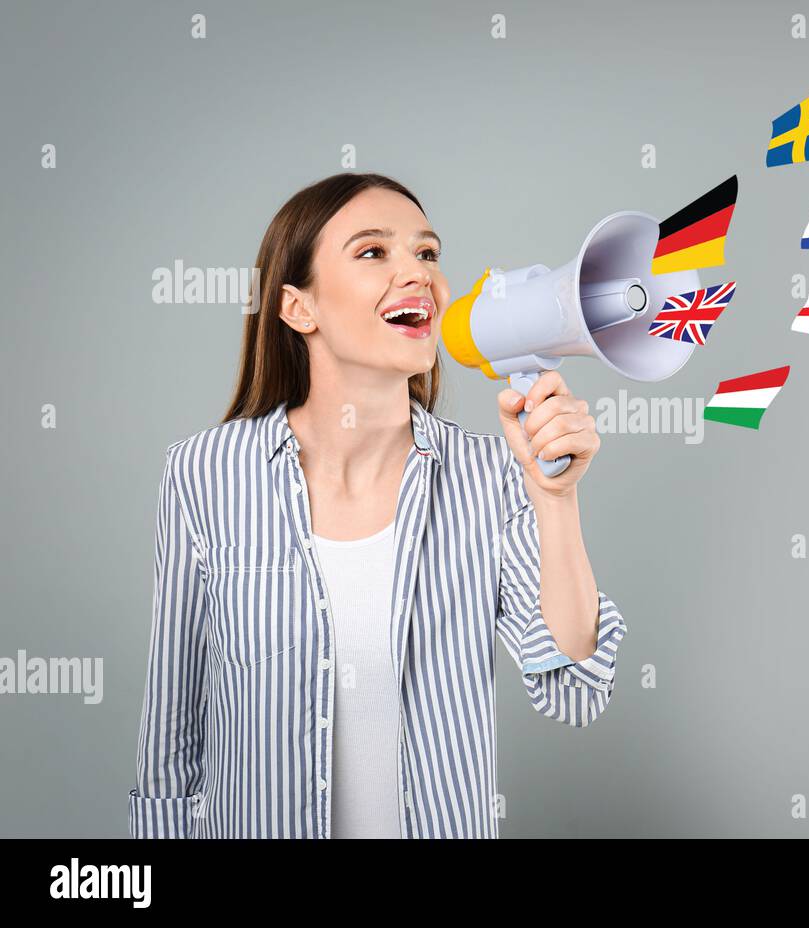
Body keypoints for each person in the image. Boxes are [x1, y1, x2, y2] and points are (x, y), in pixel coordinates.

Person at [128, 173, 627, 838]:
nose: (417, 274)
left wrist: (555, 499)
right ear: (297, 307)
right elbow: (172, 729)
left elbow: (576, 688)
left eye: (427, 253)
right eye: (373, 253)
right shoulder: (204, 474)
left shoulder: (490, 476)